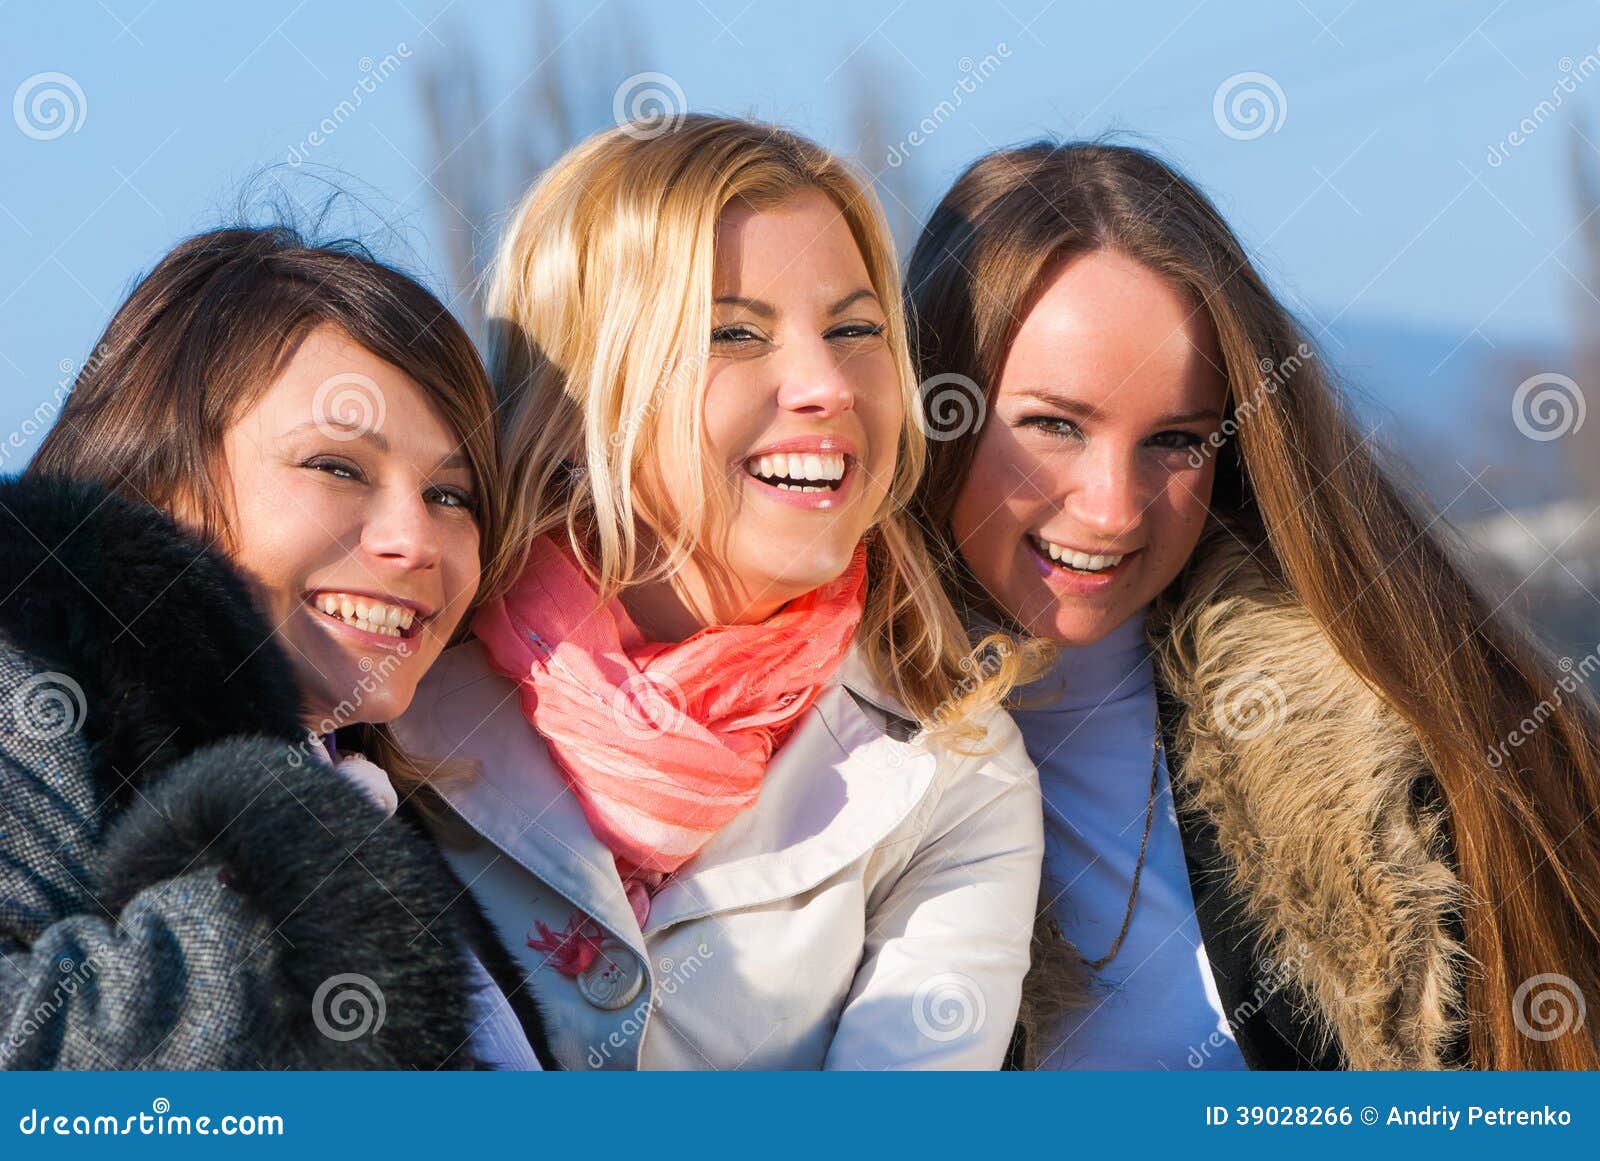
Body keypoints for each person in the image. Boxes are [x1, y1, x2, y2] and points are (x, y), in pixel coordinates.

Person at [907, 141, 1600, 1070]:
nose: (1114, 509)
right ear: (928, 405)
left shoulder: (1412, 759)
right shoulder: (799, 747)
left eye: (1175, 441)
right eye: (1053, 425)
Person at [398, 115, 1044, 1069]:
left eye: (856, 328)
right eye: (733, 332)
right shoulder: (398, 710)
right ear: (583, 401)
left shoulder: (957, 772)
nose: (827, 383)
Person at [3, 225, 550, 1069]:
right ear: (160, 478)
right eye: (337, 466)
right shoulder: (30, 689)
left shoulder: (378, 808)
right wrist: (290, 916)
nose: (418, 540)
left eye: (451, 494)